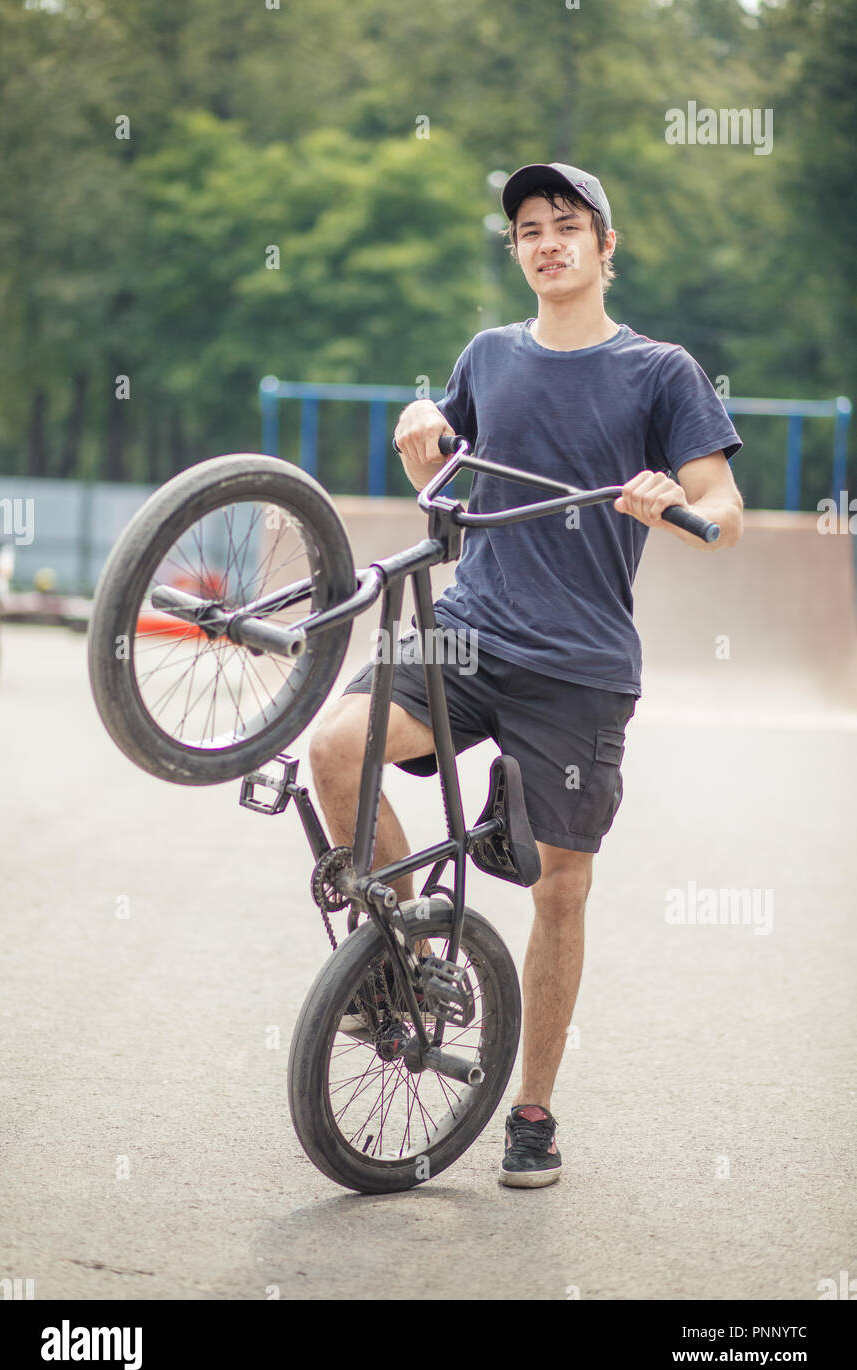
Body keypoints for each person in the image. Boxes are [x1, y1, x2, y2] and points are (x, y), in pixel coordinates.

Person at [309, 161, 744, 1188]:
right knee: (335, 748)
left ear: (603, 245)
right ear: (516, 254)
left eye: (565, 226)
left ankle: (532, 1112)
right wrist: (420, 449)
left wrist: (667, 507)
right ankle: (412, 957)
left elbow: (720, 506)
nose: (544, 243)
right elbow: (445, 487)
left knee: (560, 886)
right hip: (469, 631)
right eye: (527, 231)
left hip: (578, 667)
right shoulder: (487, 357)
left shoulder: (658, 372)